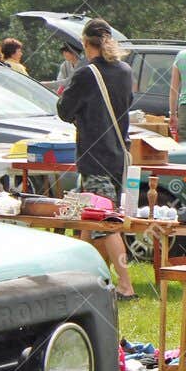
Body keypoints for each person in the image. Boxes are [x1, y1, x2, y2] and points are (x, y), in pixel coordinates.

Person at [55, 18, 137, 300]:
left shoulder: (85, 73)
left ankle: (125, 285)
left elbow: (64, 111)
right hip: (118, 155)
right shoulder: (125, 71)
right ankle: (86, 278)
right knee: (89, 221)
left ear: (87, 44)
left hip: (94, 155)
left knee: (105, 222)